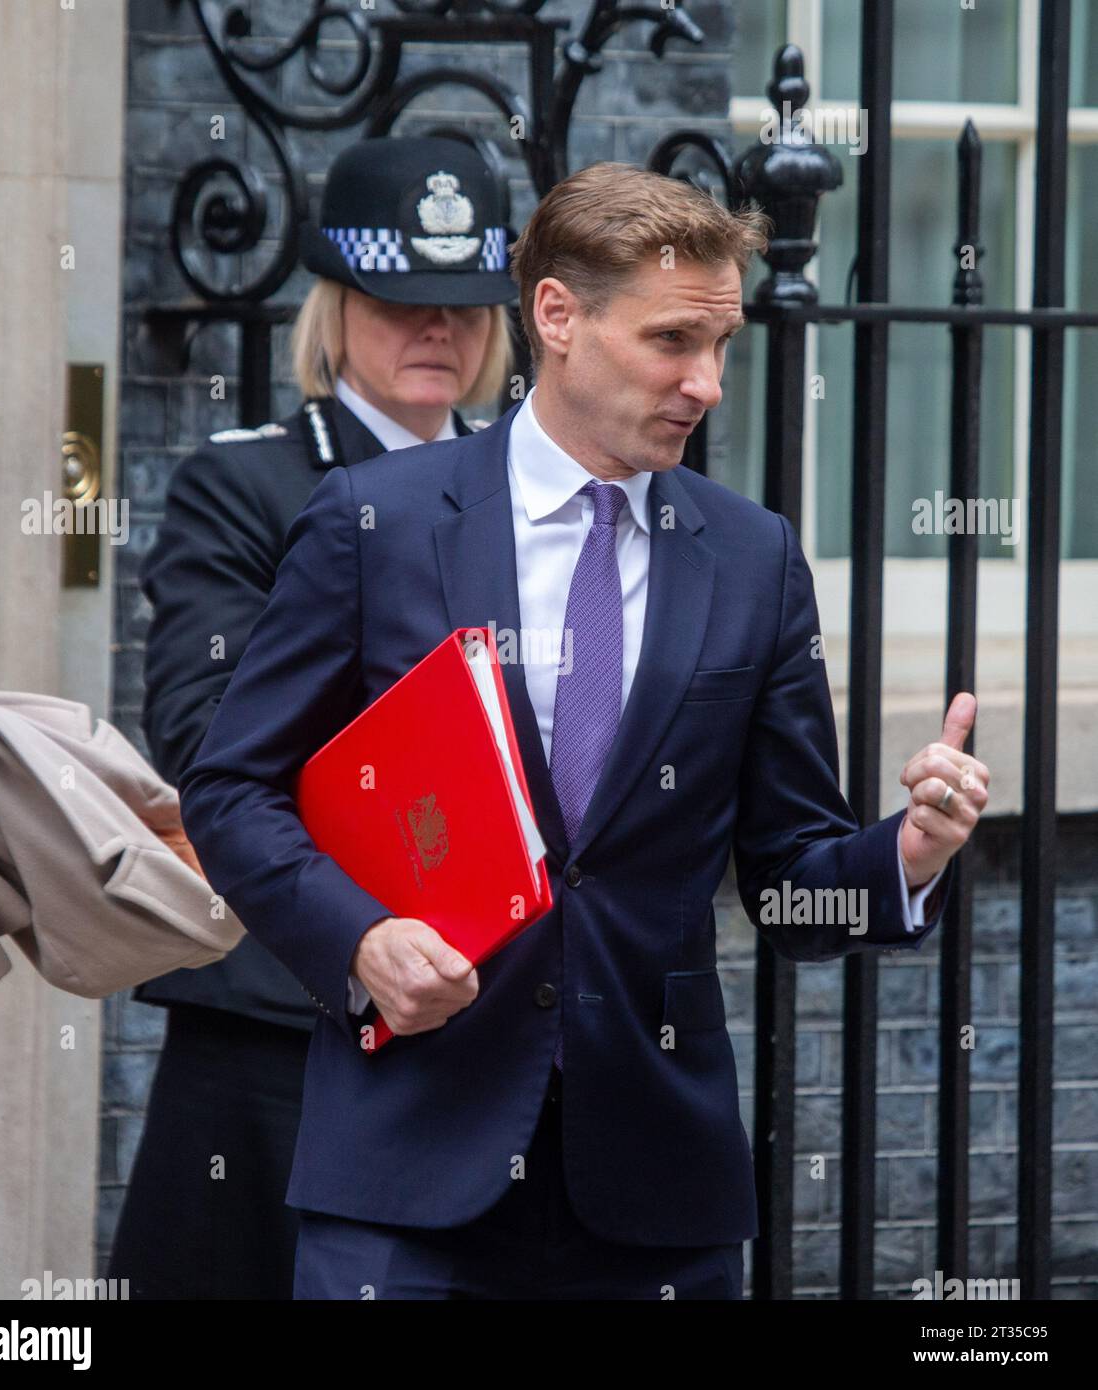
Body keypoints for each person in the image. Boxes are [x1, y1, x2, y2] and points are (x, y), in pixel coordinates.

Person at [177, 161, 991, 1300]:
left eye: (722, 344)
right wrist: (359, 943)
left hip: (657, 1192)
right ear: (558, 315)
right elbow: (231, 790)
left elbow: (793, 877)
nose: (706, 383)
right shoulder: (382, 524)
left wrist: (908, 854)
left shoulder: (753, 559)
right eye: (671, 342)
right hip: (407, 1176)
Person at [107, 135, 516, 1299]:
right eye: (401, 302)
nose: (437, 330)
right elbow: (205, 734)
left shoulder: (525, 495)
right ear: (337, 308)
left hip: (481, 1003)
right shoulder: (248, 483)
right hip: (284, 1011)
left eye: (466, 304)